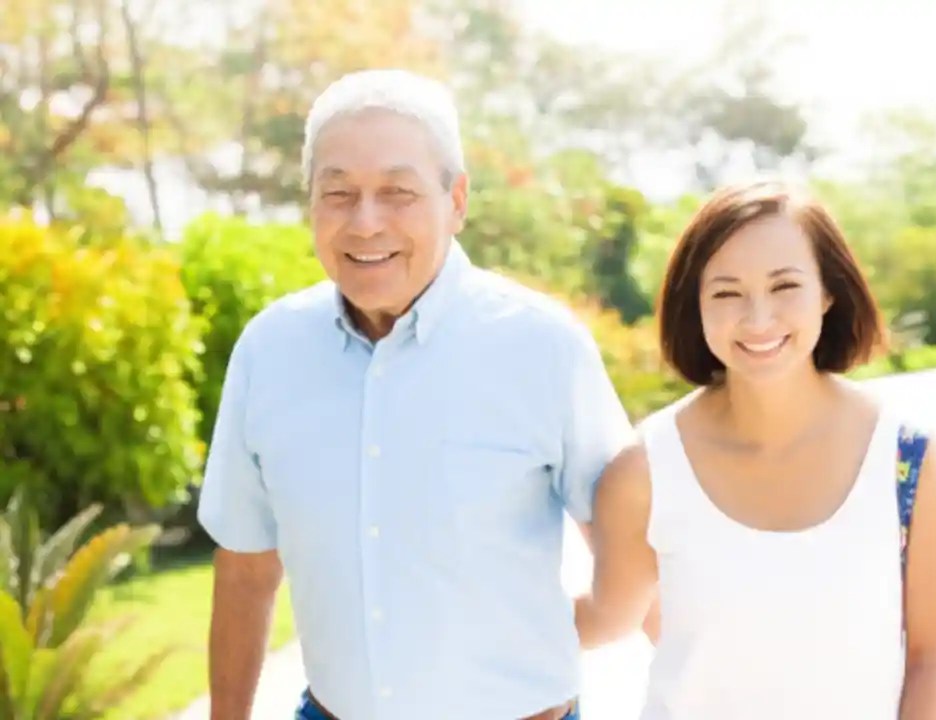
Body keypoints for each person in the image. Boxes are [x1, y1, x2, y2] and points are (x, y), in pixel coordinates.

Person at [196, 69, 632, 720]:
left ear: (456, 200)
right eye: (338, 193)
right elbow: (245, 568)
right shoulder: (268, 350)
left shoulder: (545, 347)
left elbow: (634, 556)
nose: (365, 223)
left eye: (397, 192)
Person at [574, 180, 936, 718]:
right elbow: (603, 618)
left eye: (784, 286)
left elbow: (932, 656)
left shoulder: (906, 459)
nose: (758, 319)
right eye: (727, 293)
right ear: (697, 307)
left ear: (827, 292)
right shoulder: (645, 470)